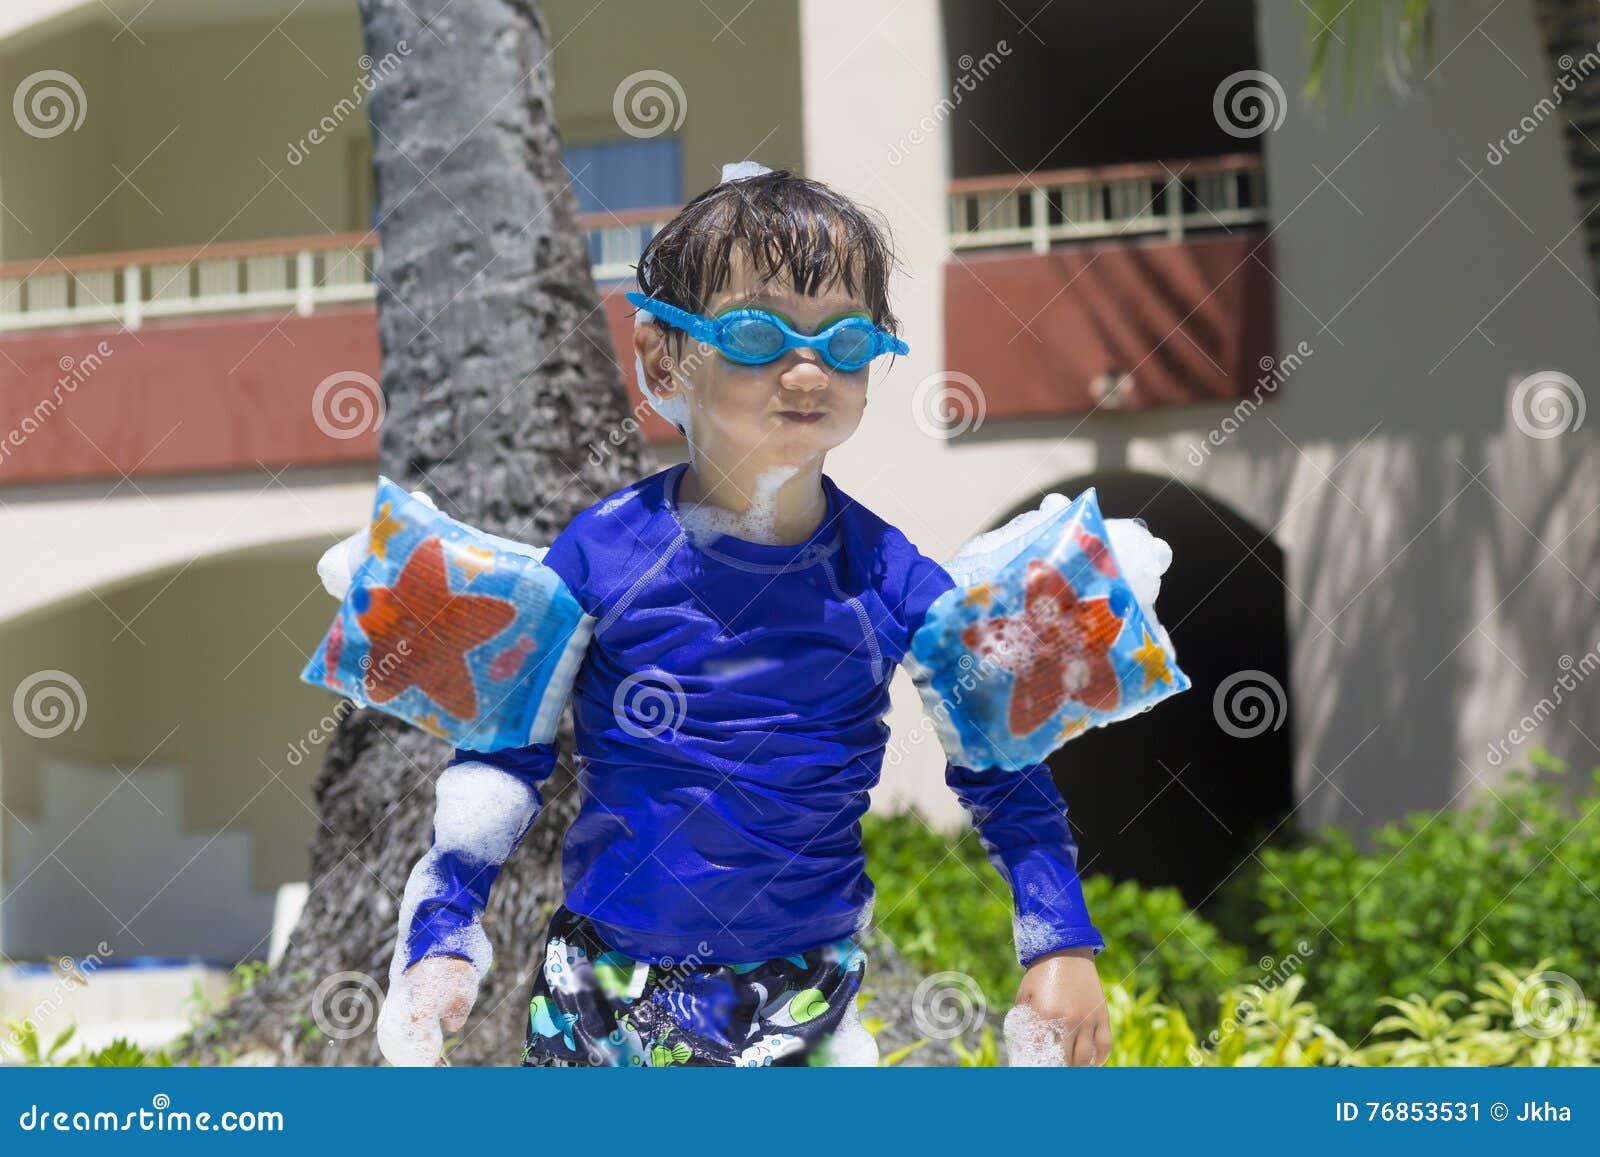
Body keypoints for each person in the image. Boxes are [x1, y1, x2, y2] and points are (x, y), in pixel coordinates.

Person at [373, 162, 1116, 1068]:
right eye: (760, 332)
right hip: (598, 978)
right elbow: (501, 755)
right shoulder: (603, 553)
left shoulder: (890, 575)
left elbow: (1003, 770)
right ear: (662, 357)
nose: (808, 367)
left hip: (802, 986)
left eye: (845, 340)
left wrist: (1059, 940)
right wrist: (442, 933)